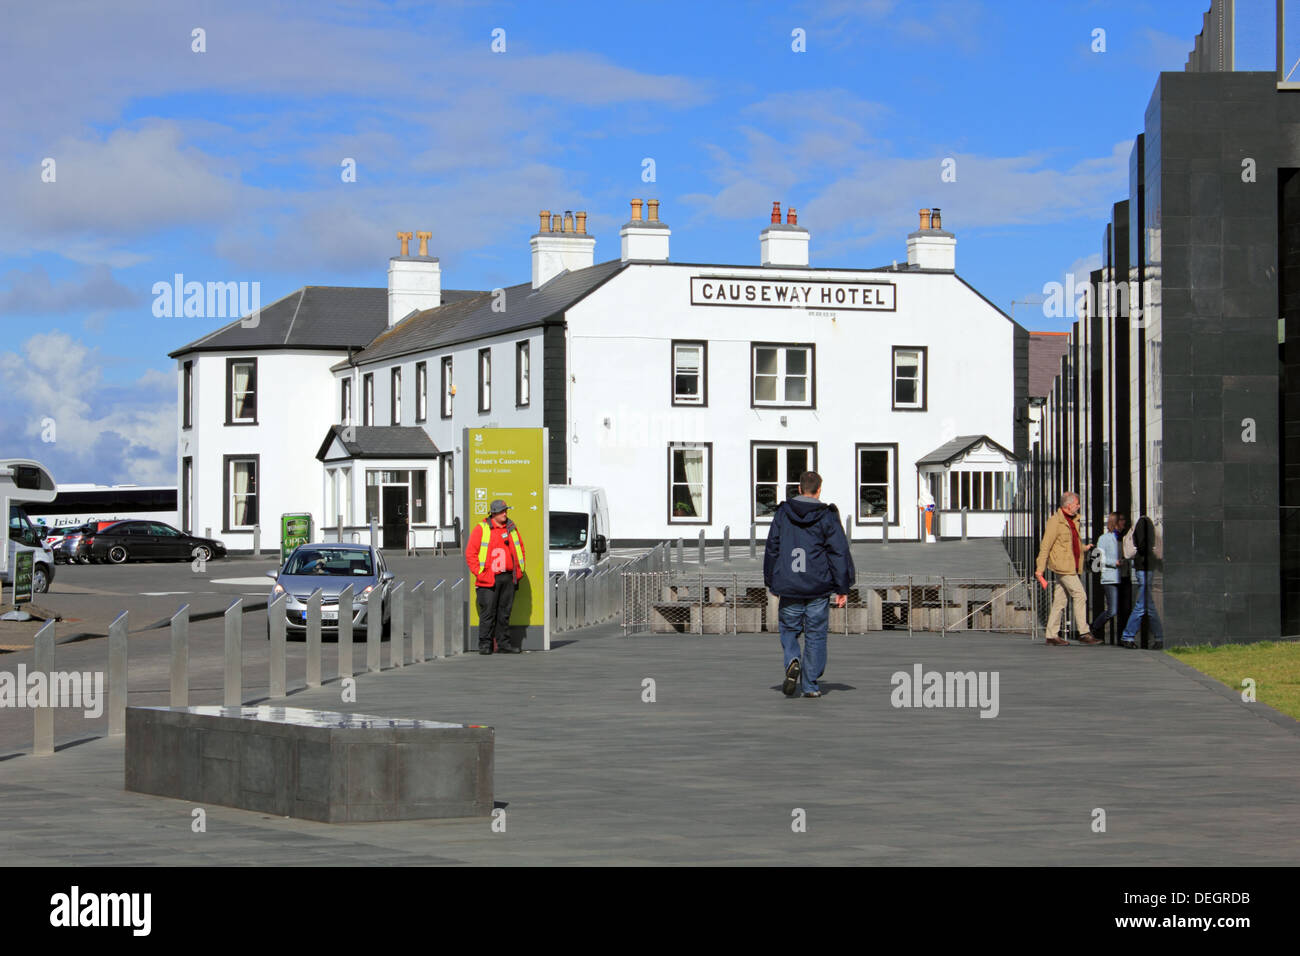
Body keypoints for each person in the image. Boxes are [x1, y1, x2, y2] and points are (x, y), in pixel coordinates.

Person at [763, 470, 855, 698]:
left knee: (789, 630)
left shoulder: (783, 514)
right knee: (815, 634)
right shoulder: (827, 516)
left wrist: (771, 581)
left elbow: (772, 548)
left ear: (799, 489)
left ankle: (792, 659)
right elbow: (838, 552)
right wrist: (842, 588)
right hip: (818, 586)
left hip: (789, 585)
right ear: (819, 490)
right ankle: (811, 685)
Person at [1034, 491, 1099, 646]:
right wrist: (1039, 569)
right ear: (1069, 505)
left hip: (1071, 565)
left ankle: (1051, 635)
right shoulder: (1055, 522)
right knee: (1080, 595)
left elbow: (1072, 544)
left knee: (1060, 601)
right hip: (1063, 567)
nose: (1079, 506)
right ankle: (1084, 632)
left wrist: (1085, 548)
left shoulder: (1073, 520)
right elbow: (1046, 546)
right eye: (1077, 504)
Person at [465, 499, 526, 654]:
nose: (505, 514)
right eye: (502, 511)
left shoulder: (511, 528)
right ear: (494, 513)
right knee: (488, 614)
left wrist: (518, 572)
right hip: (488, 579)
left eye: (506, 510)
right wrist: (480, 574)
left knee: (504, 613)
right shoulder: (482, 529)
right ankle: (485, 645)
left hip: (508, 578)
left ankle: (504, 644)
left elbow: (520, 550)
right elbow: (470, 553)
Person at [1119, 514, 1164, 649]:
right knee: (1143, 605)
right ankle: (1128, 636)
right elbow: (1148, 548)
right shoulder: (1147, 524)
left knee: (1147, 605)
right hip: (1146, 568)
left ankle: (1157, 636)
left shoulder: (1138, 525)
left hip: (1140, 568)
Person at [1087, 512, 1125, 643]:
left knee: (1119, 608)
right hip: (1110, 577)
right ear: (1115, 522)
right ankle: (1093, 627)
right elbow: (1100, 558)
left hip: (1121, 577)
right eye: (1121, 520)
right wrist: (1115, 562)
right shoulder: (1104, 538)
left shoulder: (1122, 538)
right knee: (1112, 610)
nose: (1124, 522)